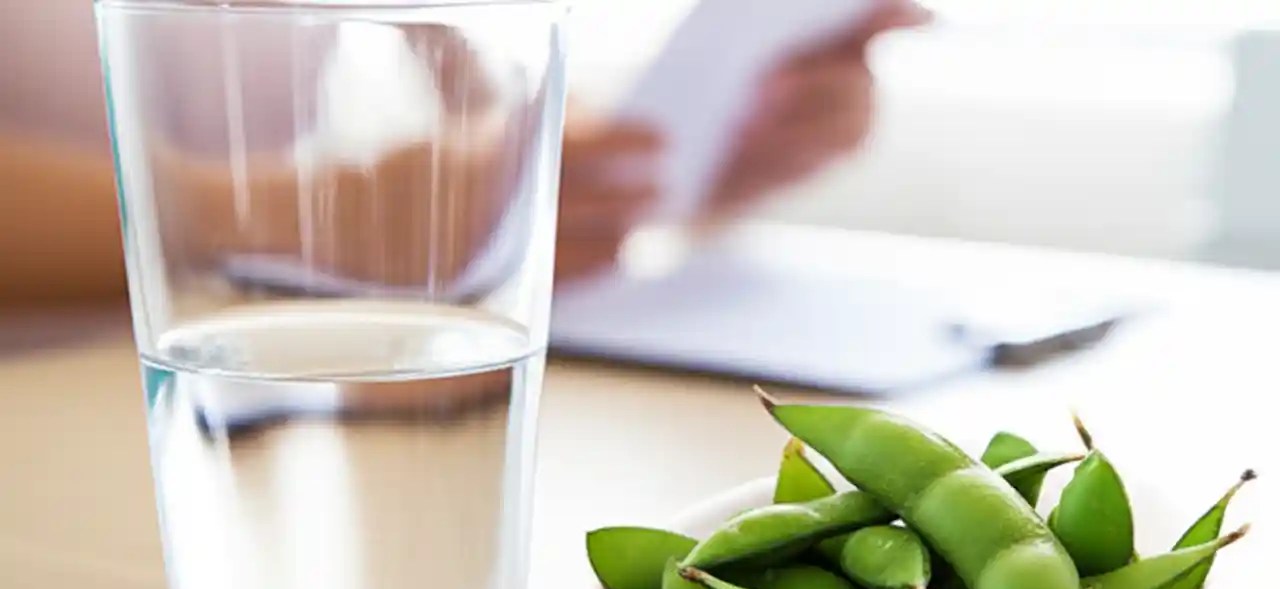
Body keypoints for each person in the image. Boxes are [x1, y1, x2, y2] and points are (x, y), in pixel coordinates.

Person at [0, 0, 927, 308]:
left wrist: (702, 156)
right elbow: (351, 207)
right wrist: (295, 215)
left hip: (251, 384)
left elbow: (485, 102)